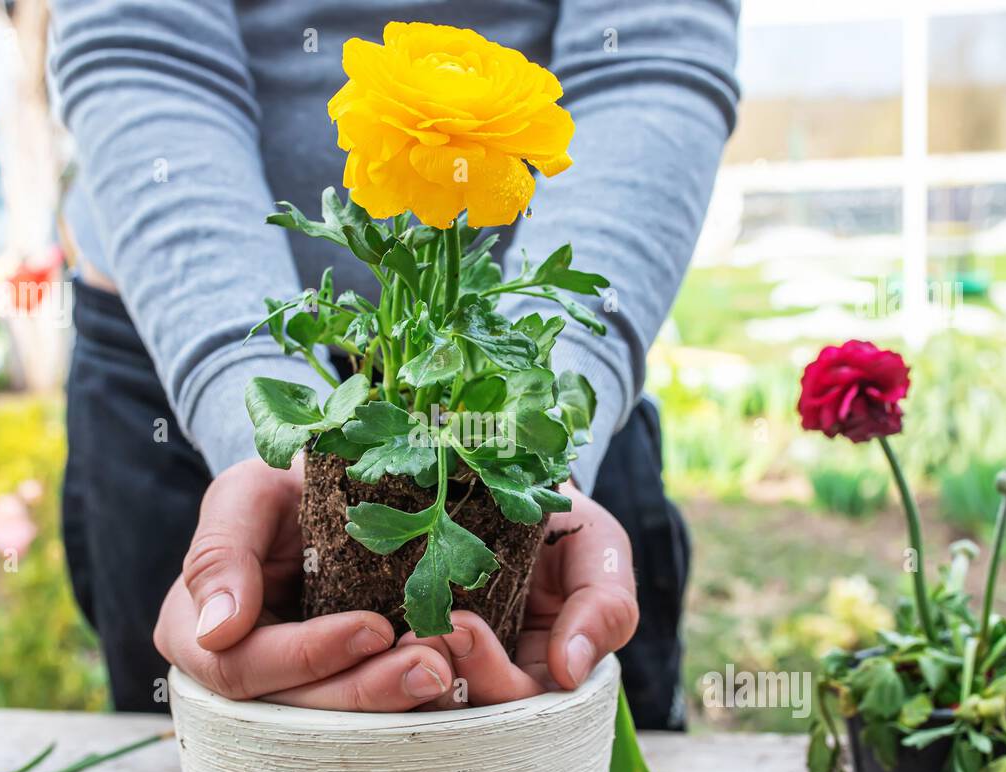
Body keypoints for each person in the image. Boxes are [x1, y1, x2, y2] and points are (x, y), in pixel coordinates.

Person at [48, 1, 739, 726]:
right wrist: (241, 392)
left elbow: (652, 48)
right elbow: (142, 46)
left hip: (535, 385)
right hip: (173, 341)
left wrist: (534, 425)